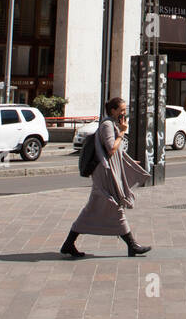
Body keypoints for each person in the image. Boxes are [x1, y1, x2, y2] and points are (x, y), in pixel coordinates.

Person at [60, 97, 152, 258]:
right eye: (122, 110)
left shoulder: (110, 124)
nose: (124, 113)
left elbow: (115, 151)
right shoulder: (107, 125)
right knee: (114, 205)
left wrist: (128, 161)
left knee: (92, 209)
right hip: (104, 174)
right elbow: (111, 148)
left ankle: (68, 244)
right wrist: (123, 132)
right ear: (113, 111)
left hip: (103, 172)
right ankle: (132, 245)